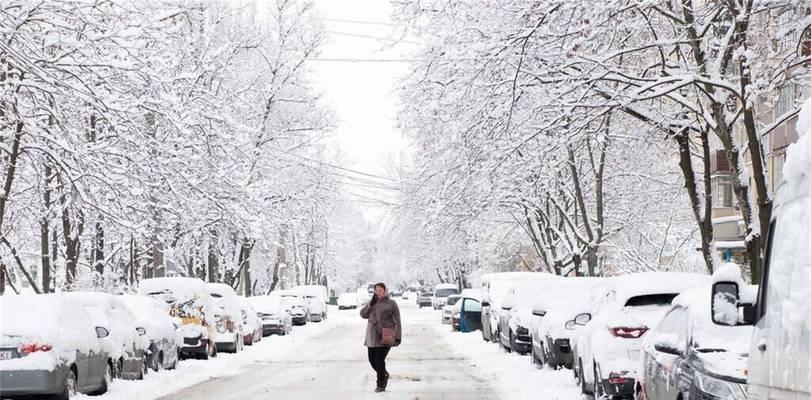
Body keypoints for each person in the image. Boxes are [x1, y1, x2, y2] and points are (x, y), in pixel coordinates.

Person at [360, 282, 402, 393]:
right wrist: (370, 304)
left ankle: (381, 384)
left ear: (385, 291)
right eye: (376, 290)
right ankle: (384, 374)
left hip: (385, 336)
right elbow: (363, 314)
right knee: (372, 361)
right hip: (371, 336)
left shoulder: (391, 303)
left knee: (379, 360)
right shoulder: (372, 302)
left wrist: (398, 336)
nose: (377, 292)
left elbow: (397, 320)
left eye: (380, 290)